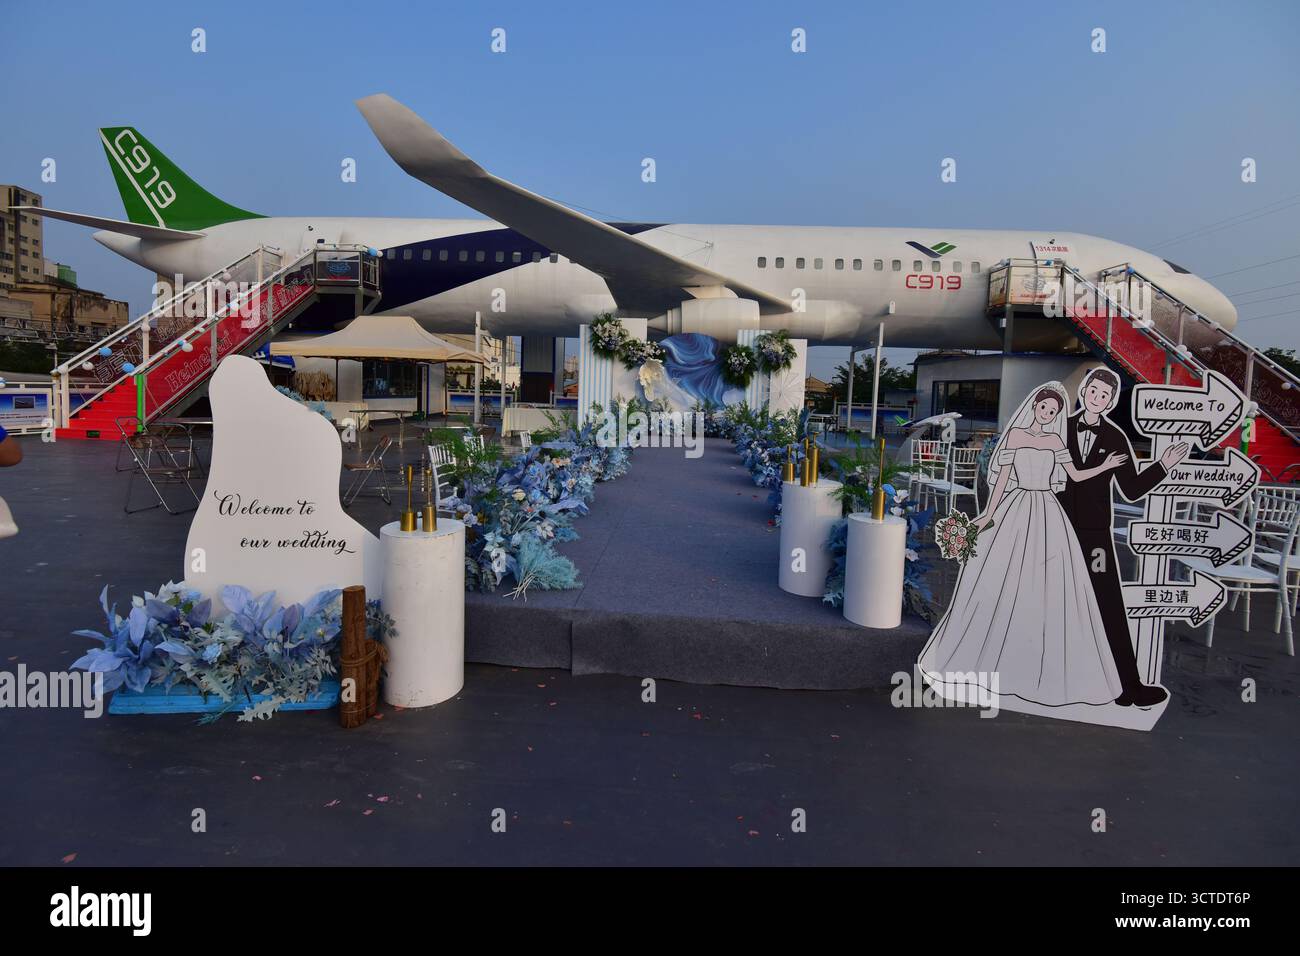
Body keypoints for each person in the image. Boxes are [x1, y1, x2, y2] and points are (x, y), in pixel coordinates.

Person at [918, 383, 1130, 707]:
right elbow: (1002, 480)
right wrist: (986, 515)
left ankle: (1037, 666)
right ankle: (992, 659)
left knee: (1048, 586)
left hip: (1047, 512)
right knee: (1001, 580)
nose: (1047, 414)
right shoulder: (1015, 437)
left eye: (1053, 412)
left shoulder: (1056, 441)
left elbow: (1074, 475)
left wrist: (1105, 466)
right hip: (1014, 509)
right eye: (1044, 408)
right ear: (1034, 406)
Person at [1057, 367, 1188, 707]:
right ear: (1083, 391)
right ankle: (1037, 675)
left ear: (1111, 401)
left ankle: (1129, 686)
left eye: (1105, 394)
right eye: (1093, 390)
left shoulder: (1116, 438)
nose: (1097, 398)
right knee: (1048, 598)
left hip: (1094, 534)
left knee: (1109, 607)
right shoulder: (1059, 427)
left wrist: (1162, 466)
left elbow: (1131, 489)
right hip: (1055, 528)